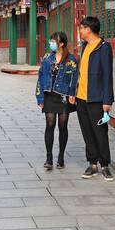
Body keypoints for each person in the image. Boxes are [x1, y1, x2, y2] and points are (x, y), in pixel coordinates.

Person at [69, 16, 114, 180]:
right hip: (81, 98)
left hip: (96, 99)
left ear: (88, 29)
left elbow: (108, 75)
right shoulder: (84, 46)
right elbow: (79, 73)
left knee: (100, 132)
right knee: (87, 132)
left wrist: (107, 100)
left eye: (81, 28)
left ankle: (105, 165)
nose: (80, 31)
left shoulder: (103, 48)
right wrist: (73, 92)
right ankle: (92, 163)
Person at [36, 32, 78, 171]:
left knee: (63, 126)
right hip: (49, 94)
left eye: (54, 41)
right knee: (49, 124)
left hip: (64, 96)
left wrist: (73, 94)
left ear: (61, 44)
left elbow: (75, 79)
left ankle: (61, 157)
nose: (51, 43)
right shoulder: (48, 58)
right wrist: (40, 96)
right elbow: (41, 76)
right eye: (50, 41)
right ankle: (49, 158)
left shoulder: (71, 60)